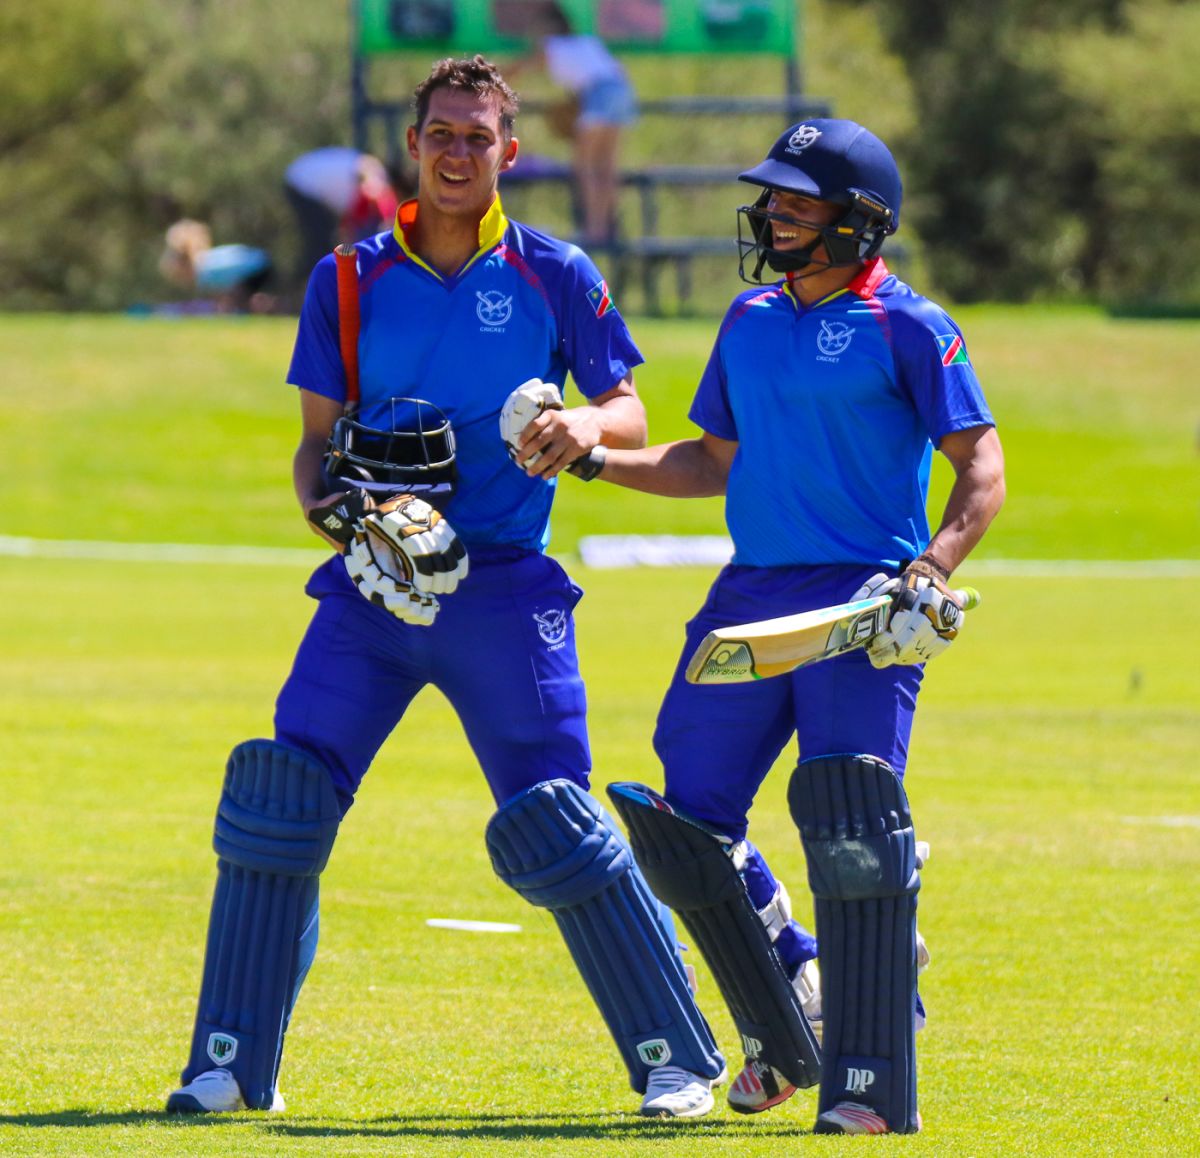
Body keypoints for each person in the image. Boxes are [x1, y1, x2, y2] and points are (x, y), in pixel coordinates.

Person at [165, 55, 726, 1120]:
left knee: (557, 821)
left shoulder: (558, 272)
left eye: (479, 135)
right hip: (371, 594)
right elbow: (312, 452)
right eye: (441, 133)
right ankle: (231, 1064)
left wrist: (581, 427)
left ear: (511, 151)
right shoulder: (345, 278)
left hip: (506, 593)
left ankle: (677, 1058)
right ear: (413, 145)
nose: (458, 151)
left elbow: (633, 416)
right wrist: (338, 517)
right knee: (277, 805)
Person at [520, 118, 1005, 1135]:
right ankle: (792, 1000)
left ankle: (873, 1056)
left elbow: (982, 469)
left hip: (863, 602)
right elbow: (709, 461)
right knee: (688, 821)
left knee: (851, 819)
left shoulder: (913, 327)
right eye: (772, 198)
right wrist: (595, 462)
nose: (773, 213)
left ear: (858, 221)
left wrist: (931, 567)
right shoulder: (747, 320)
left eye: (796, 200)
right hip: (752, 593)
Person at [507, 2, 637, 245]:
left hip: (598, 93)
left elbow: (517, 69)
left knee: (585, 164)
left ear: (549, 26)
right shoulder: (586, 42)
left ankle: (594, 229)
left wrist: (488, 77)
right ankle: (609, 226)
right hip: (621, 90)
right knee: (606, 165)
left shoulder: (552, 45)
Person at [283, 148, 401, 296]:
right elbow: (375, 203)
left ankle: (308, 291)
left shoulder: (369, 173)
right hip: (303, 183)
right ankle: (306, 293)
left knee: (322, 243)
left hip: (301, 177)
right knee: (319, 243)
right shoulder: (377, 181)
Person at [158, 219, 275, 314]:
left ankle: (273, 309)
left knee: (245, 301)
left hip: (257, 267)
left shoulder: (203, 273)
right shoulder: (204, 260)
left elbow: (224, 294)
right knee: (243, 299)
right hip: (259, 261)